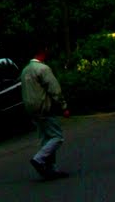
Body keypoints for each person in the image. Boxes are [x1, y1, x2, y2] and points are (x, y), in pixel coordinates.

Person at [21, 46, 70, 180]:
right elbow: (54, 89)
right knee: (57, 137)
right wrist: (63, 106)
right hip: (45, 107)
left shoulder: (25, 70)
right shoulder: (43, 69)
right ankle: (39, 159)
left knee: (45, 138)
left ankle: (51, 168)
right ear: (42, 53)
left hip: (32, 109)